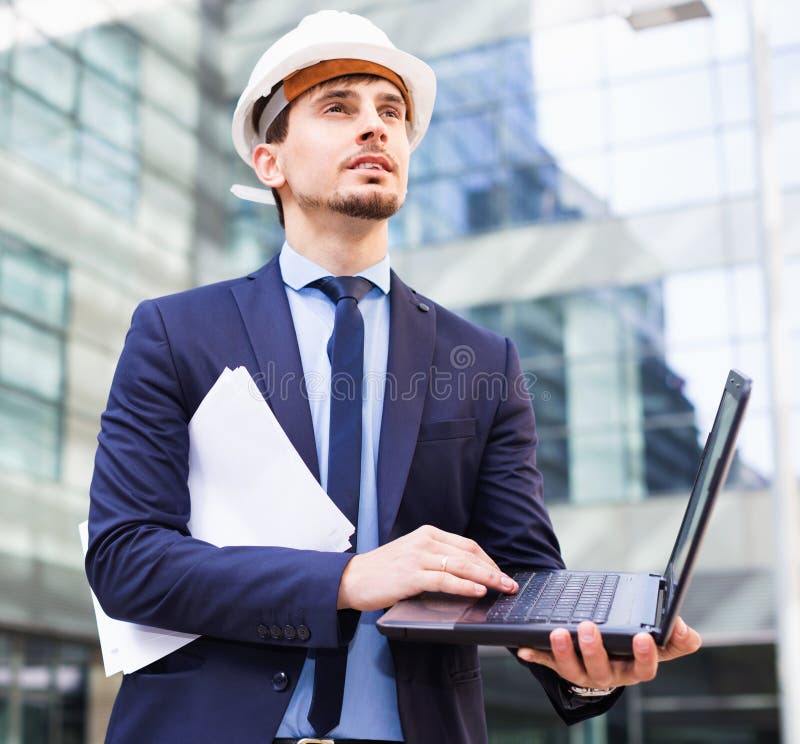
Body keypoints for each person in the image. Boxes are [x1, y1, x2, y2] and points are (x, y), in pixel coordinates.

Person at [85, 10, 702, 744]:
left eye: (392, 113)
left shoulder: (485, 361)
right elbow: (126, 559)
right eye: (338, 107)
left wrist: (583, 664)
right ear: (269, 161)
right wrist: (345, 581)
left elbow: (521, 576)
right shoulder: (175, 332)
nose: (376, 128)